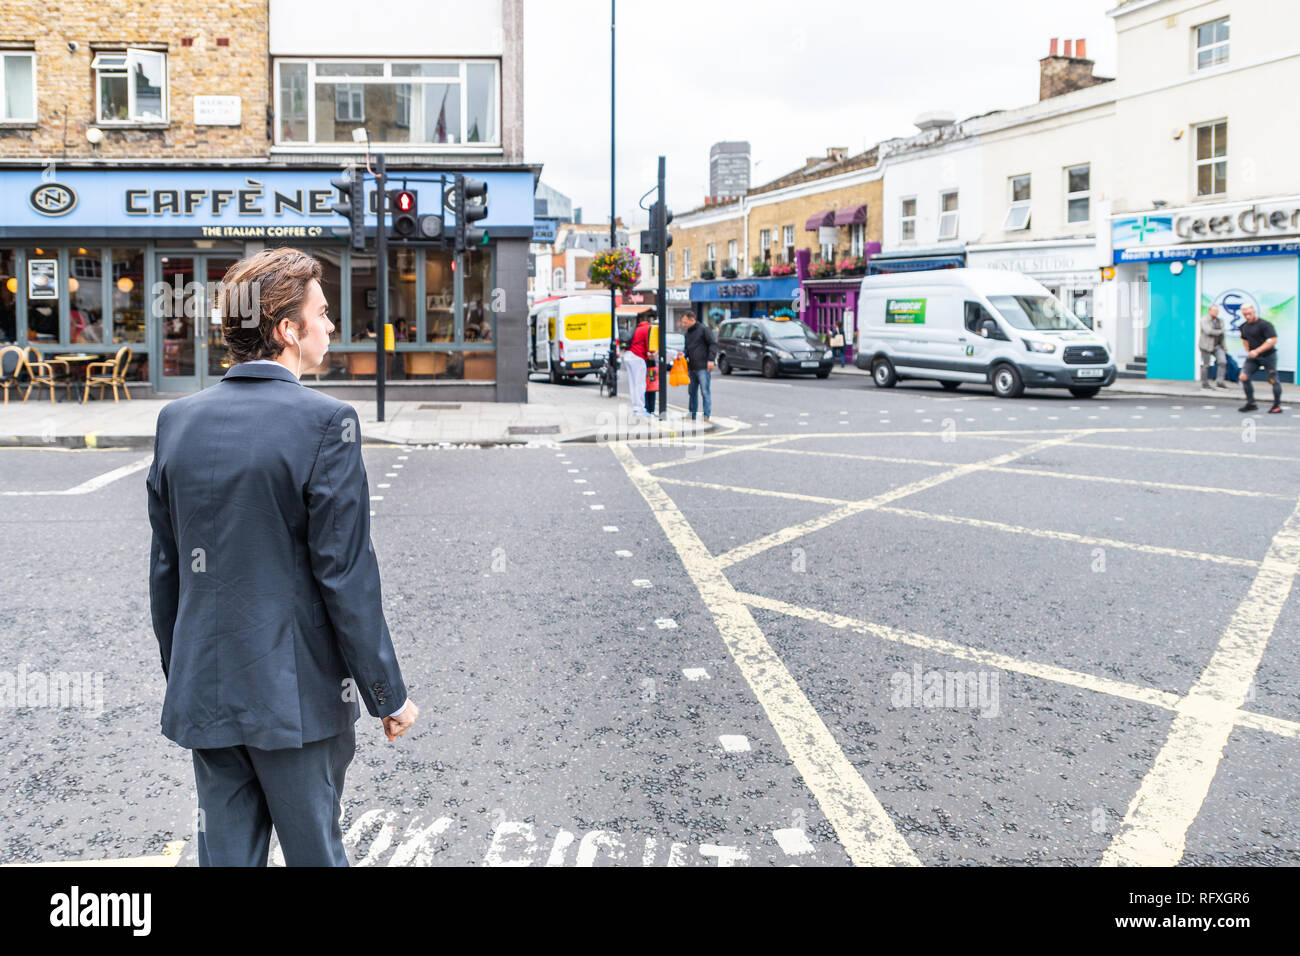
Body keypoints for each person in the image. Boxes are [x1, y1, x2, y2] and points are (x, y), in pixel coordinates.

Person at [146, 247, 417, 867]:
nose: (330, 327)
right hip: (295, 700)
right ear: (286, 330)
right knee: (315, 854)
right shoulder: (326, 423)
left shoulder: (176, 421)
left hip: (207, 688)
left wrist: (184, 670)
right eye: (321, 313)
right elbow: (345, 577)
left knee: (227, 857)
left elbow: (167, 570)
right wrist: (388, 695)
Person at [1237, 303, 1283, 414]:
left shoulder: (1265, 325)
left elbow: (1272, 340)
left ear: (1254, 312)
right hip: (1254, 357)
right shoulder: (1244, 326)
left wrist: (1257, 351)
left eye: (1249, 313)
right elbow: (1245, 340)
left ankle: (1277, 405)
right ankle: (1251, 403)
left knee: (1272, 379)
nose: (1247, 316)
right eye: (1245, 314)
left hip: (1268, 356)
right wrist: (1248, 351)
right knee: (1243, 377)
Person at [679, 310, 717, 422]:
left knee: (705, 392)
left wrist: (711, 360)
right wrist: (683, 354)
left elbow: (713, 344)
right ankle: (692, 414)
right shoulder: (687, 334)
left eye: (685, 322)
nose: (683, 325)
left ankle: (706, 416)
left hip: (703, 367)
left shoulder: (704, 330)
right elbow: (687, 349)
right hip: (692, 367)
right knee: (692, 392)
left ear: (692, 320)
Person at [625, 311, 651, 417]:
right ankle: (640, 408)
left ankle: (635, 407)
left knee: (633, 383)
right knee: (640, 383)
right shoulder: (648, 329)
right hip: (637, 356)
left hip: (628, 355)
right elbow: (650, 345)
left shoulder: (637, 328)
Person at [1199, 304, 1229, 389]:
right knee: (1206, 365)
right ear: (1209, 311)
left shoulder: (1220, 320)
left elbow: (1223, 334)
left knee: (1222, 361)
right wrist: (1220, 331)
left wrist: (1224, 346)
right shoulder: (1204, 320)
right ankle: (1205, 383)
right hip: (1206, 346)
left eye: (1217, 311)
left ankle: (1220, 381)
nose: (1216, 312)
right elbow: (1208, 331)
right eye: (1214, 310)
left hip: (1217, 345)